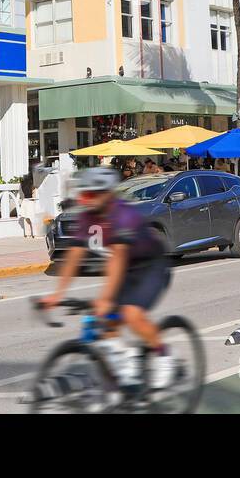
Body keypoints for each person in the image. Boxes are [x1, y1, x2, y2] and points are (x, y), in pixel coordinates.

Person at [41, 166, 177, 390]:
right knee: (107, 325)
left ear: (106, 194)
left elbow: (118, 257)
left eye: (91, 195)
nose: (85, 200)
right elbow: (74, 255)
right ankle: (126, 371)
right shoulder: (88, 216)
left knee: (130, 314)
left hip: (151, 266)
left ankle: (163, 356)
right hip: (125, 269)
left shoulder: (123, 214)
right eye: (83, 194)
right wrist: (57, 295)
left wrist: (105, 299)